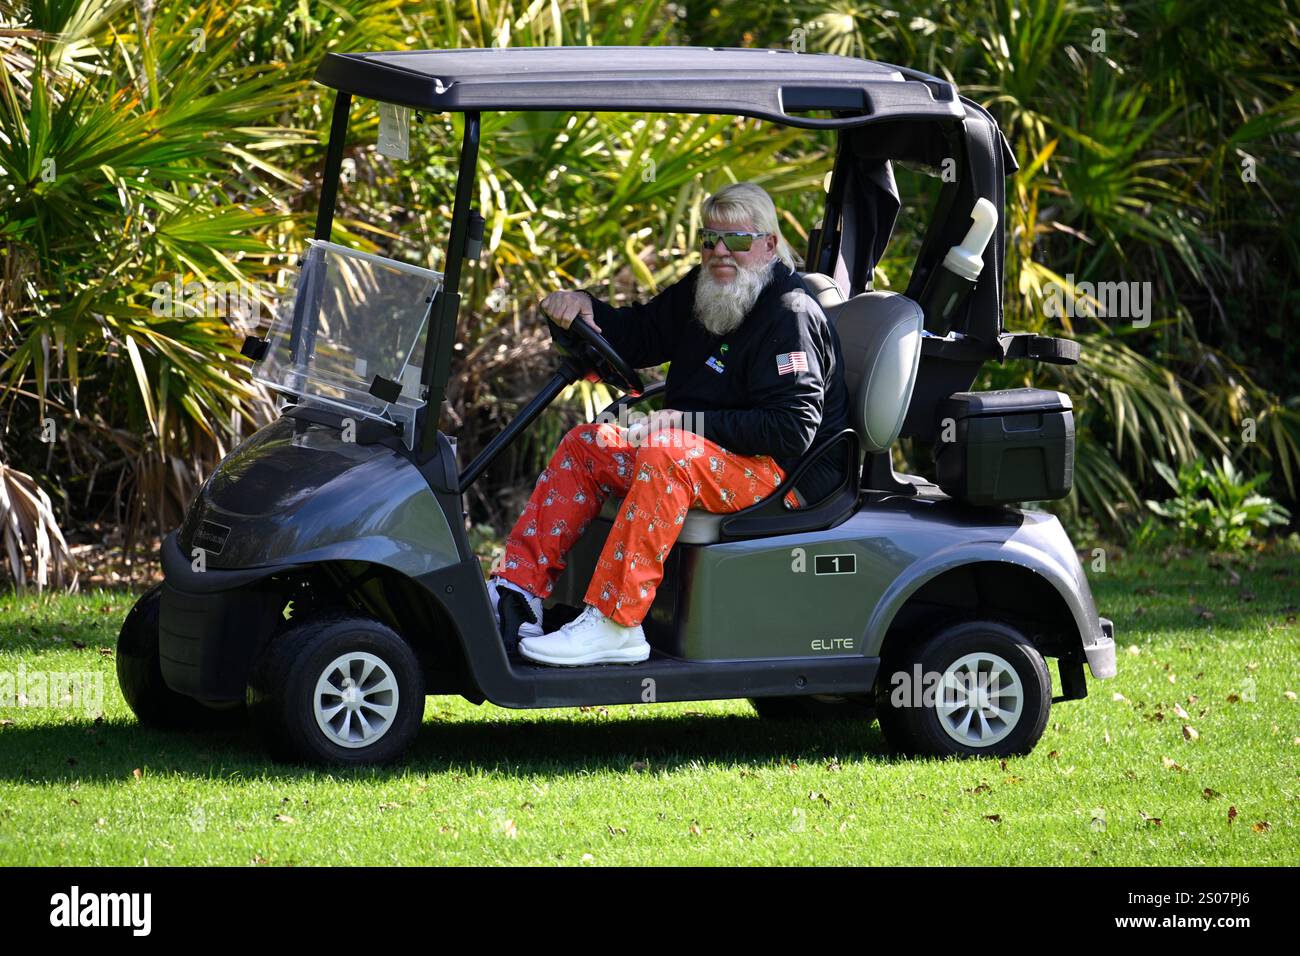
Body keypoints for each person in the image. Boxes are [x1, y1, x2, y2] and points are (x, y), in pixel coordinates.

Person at [487, 181, 850, 666]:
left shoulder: (789, 314)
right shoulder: (709, 290)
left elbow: (789, 429)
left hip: (780, 473)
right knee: (587, 443)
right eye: (709, 239)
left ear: (768, 244)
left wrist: (687, 422)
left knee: (667, 452)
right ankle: (517, 592)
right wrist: (585, 308)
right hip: (707, 454)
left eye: (737, 240)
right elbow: (639, 334)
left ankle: (617, 625)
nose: (720, 252)